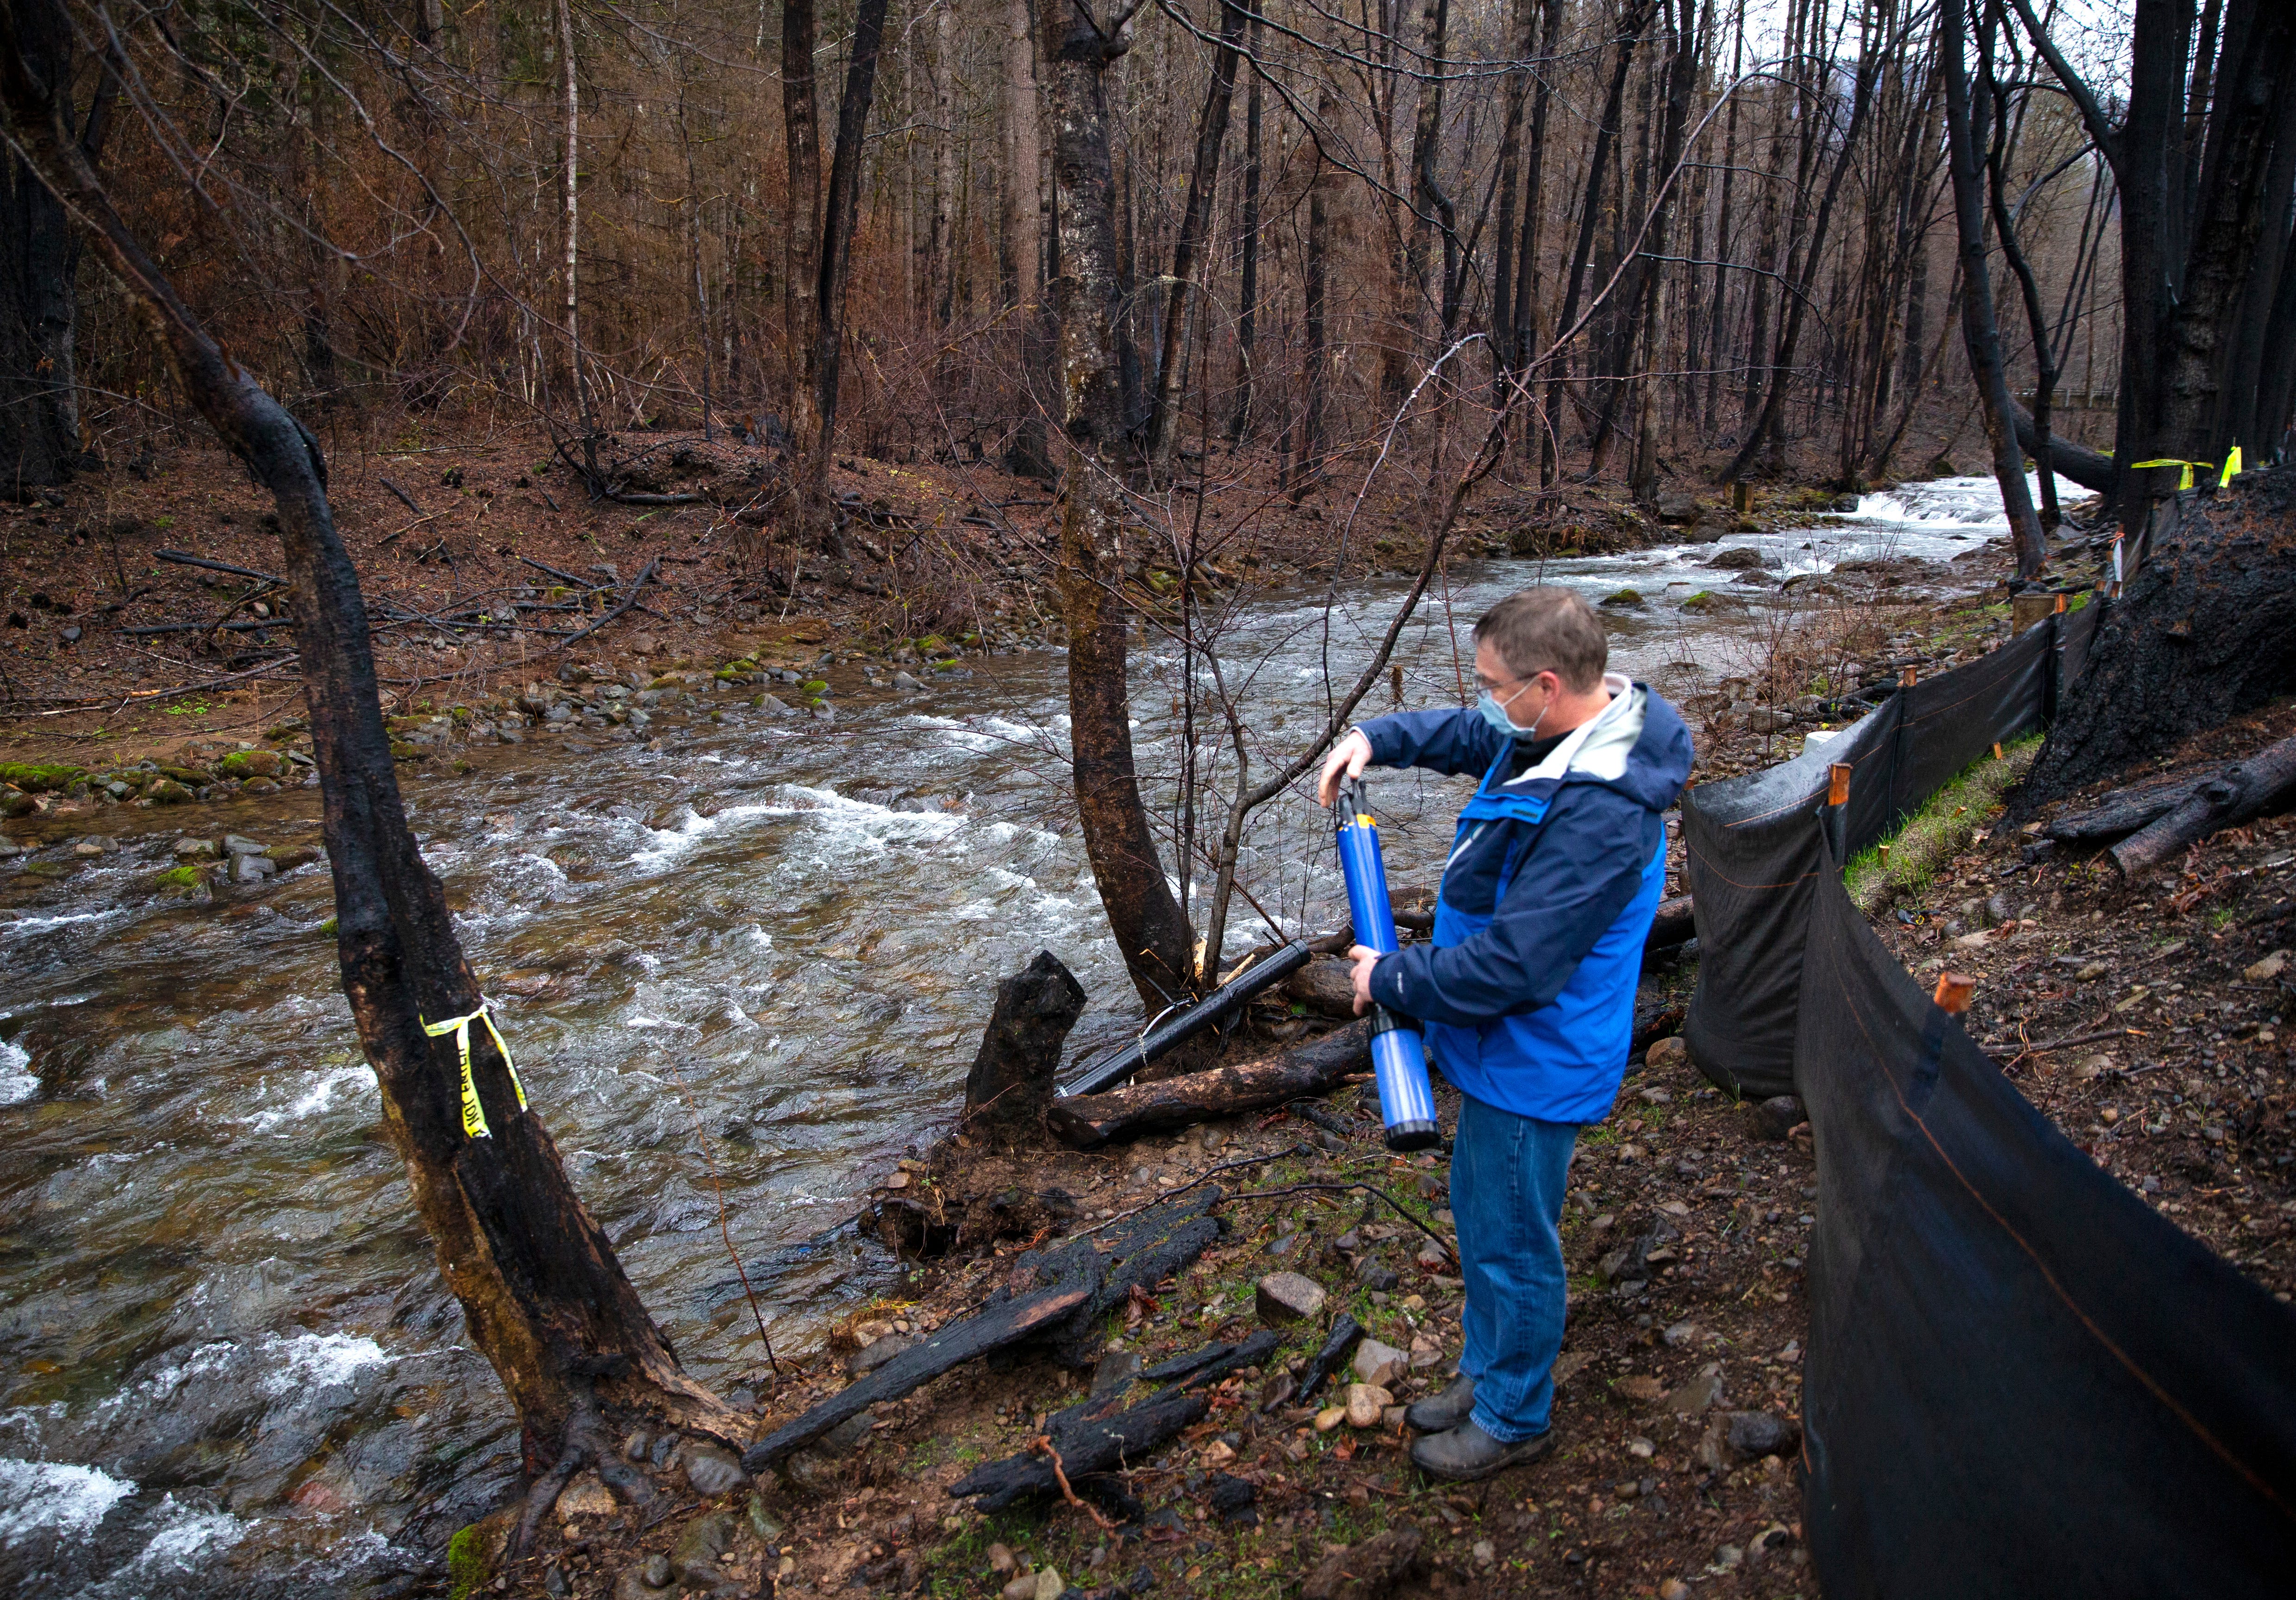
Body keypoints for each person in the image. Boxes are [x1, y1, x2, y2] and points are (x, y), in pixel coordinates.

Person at [1316, 586, 1692, 1481]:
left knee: (1514, 1245)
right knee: (1486, 1217)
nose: (1485, 700)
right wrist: (1378, 737)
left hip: (1537, 1062)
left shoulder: (1603, 811)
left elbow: (1516, 970)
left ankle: (1515, 1417)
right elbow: (1469, 734)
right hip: (1501, 1052)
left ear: (1548, 684)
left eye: (1494, 685)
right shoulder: (1563, 730)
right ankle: (1487, 1372)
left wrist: (1391, 977)